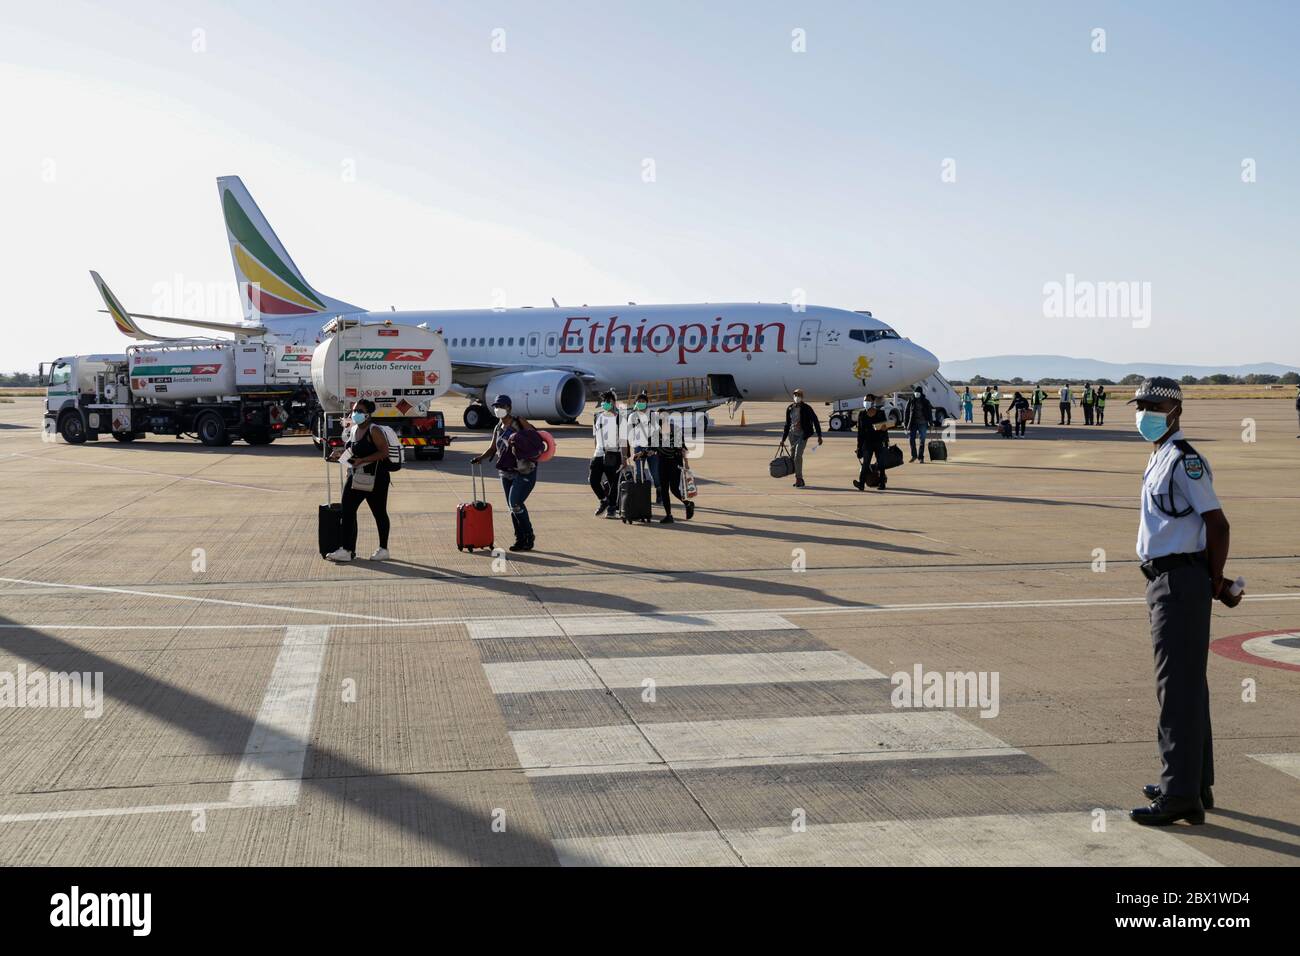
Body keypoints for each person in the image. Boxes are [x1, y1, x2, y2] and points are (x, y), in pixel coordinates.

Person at [1128, 377, 1241, 826]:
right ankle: (1194, 783)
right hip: (1168, 581)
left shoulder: (1184, 461)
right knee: (1188, 686)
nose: (1143, 412)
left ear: (1175, 410)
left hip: (1180, 583)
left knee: (1176, 690)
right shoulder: (1159, 456)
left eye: (1152, 405)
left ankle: (1180, 797)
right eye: (1139, 404)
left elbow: (1219, 525)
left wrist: (1214, 581)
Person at [471, 394, 541, 552]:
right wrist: (480, 458)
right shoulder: (497, 427)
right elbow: (493, 448)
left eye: (501, 406)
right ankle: (520, 539)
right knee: (512, 507)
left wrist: (523, 432)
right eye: (496, 406)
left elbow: (536, 437)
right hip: (505, 473)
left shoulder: (519, 422)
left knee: (515, 503)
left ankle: (529, 536)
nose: (498, 409)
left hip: (524, 470)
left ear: (509, 408)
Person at [324, 399, 392, 562]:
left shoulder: (374, 430)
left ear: (368, 414)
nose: (355, 414)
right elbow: (352, 450)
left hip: (376, 478)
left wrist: (363, 460)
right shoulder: (354, 429)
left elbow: (384, 452)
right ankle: (347, 550)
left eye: (359, 411)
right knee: (347, 510)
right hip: (357, 476)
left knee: (379, 512)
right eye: (354, 410)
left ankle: (383, 549)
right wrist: (340, 453)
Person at [653, 412, 695, 523]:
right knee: (664, 490)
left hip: (674, 463)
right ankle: (669, 515)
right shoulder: (656, 433)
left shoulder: (675, 431)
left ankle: (688, 503)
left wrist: (686, 463)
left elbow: (682, 448)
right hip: (662, 463)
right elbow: (653, 449)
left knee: (674, 489)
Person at [589, 390, 623, 518]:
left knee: (613, 483)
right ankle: (604, 500)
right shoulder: (597, 416)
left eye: (608, 401)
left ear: (614, 402)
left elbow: (624, 440)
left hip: (614, 454)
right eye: (604, 401)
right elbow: (595, 437)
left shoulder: (620, 417)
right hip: (598, 454)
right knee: (593, 481)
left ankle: (612, 508)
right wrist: (595, 453)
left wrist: (624, 458)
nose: (605, 403)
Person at [780, 387, 822, 488]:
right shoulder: (790, 408)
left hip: (803, 435)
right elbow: (787, 424)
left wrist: (819, 435)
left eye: (799, 395)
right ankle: (797, 478)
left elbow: (815, 421)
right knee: (793, 457)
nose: (796, 397)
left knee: (798, 456)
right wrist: (783, 439)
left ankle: (799, 479)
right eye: (795, 395)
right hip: (792, 434)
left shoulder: (807, 408)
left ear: (802, 397)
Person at [853, 394, 892, 491]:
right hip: (867, 443)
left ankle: (882, 483)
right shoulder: (862, 414)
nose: (866, 402)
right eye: (865, 400)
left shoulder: (880, 413)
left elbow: (885, 428)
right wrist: (859, 447)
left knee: (881, 463)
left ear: (873, 402)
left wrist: (886, 440)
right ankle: (861, 484)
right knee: (866, 463)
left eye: (868, 400)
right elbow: (860, 432)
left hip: (878, 441)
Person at [904, 385, 933, 462]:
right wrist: (905, 424)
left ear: (921, 393)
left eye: (918, 392)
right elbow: (906, 412)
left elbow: (929, 413)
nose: (917, 393)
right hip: (913, 423)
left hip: (923, 423)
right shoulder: (911, 400)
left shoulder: (926, 401)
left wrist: (931, 423)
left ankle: (921, 457)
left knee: (922, 440)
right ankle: (914, 456)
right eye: (916, 392)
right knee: (911, 440)